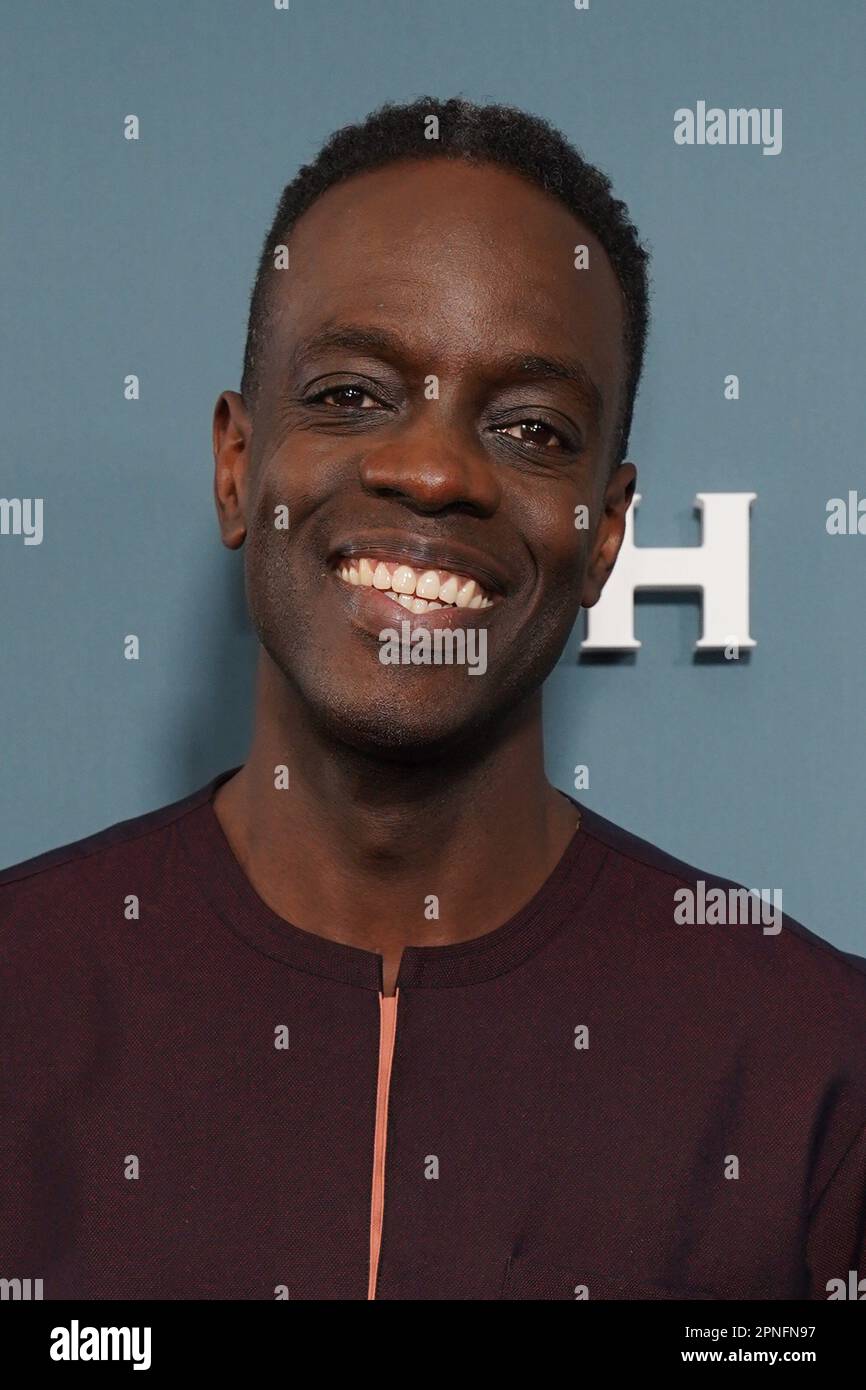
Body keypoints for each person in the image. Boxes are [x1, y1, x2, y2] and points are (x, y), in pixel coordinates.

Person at [2, 97, 865, 1302]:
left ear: (604, 532)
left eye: (529, 427)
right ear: (236, 468)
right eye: (351, 395)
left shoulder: (815, 1072)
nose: (433, 469)